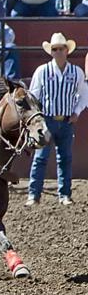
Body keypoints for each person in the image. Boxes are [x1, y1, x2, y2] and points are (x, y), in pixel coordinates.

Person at [28, 33, 86, 206]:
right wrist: (37, 118)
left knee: (65, 158)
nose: (58, 52)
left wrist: (77, 112)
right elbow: (33, 95)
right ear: (51, 52)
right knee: (40, 158)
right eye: (55, 49)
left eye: (61, 49)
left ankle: (64, 194)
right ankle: (33, 195)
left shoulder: (76, 72)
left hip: (66, 120)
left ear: (67, 51)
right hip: (47, 119)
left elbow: (84, 94)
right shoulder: (42, 71)